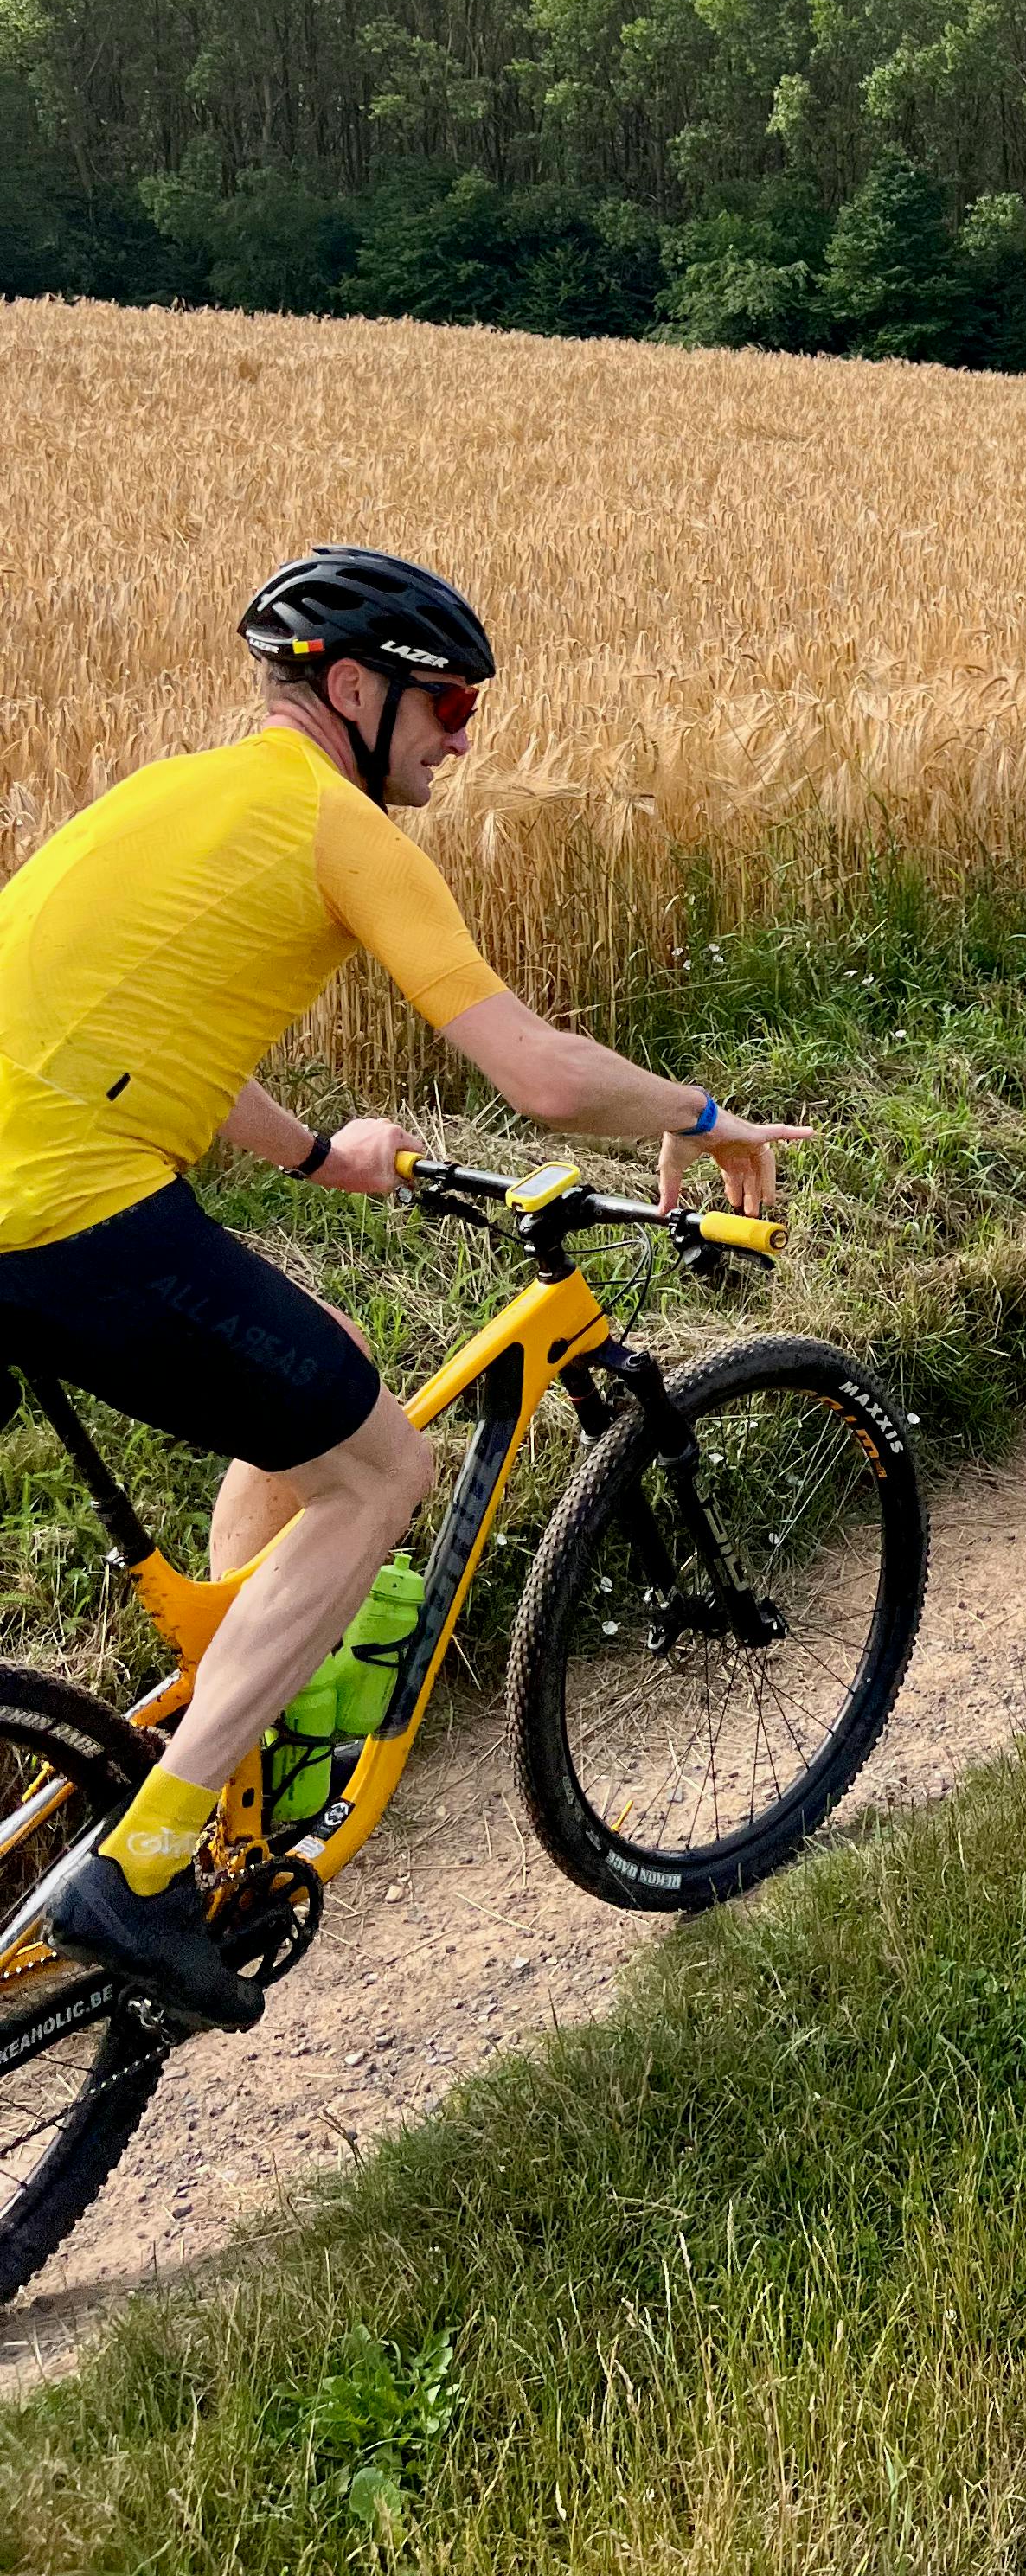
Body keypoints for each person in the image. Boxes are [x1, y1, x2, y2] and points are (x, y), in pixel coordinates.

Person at [0, 548, 803, 2034]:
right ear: (352, 688)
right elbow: (542, 1075)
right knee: (385, 1469)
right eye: (446, 697)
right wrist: (703, 1114)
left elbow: (150, 1030)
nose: (463, 730)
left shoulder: (161, 797)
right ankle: (148, 1862)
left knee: (330, 1369)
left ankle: (245, 1771)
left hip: (30, 1189)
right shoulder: (339, 828)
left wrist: (316, 1153)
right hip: (65, 1213)